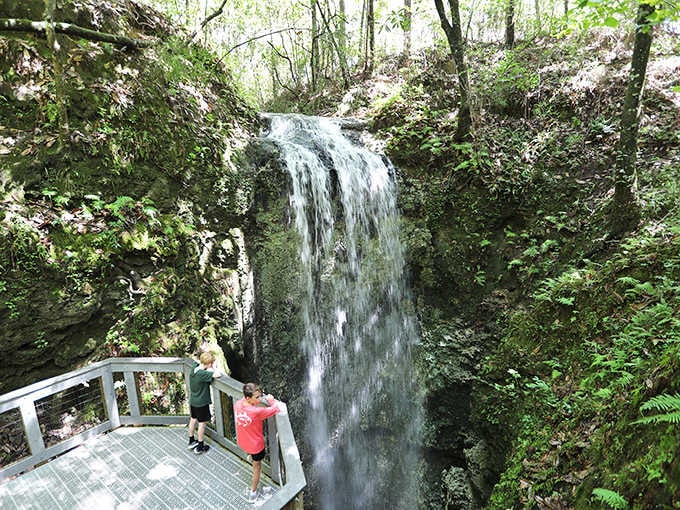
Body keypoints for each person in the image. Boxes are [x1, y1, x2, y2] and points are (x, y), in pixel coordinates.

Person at [234, 382, 280, 502]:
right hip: (256, 445)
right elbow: (275, 409)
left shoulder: (238, 404)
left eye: (260, 396)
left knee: (254, 462)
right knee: (257, 468)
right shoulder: (256, 412)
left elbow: (245, 403)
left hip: (243, 442)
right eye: (257, 397)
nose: (260, 399)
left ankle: (251, 460)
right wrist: (271, 400)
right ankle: (253, 492)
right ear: (248, 398)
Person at [187, 351, 221, 454]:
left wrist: (204, 362)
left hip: (193, 401)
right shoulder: (203, 374)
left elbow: (197, 362)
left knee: (193, 419)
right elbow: (217, 374)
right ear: (209, 363)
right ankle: (200, 446)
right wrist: (213, 367)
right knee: (202, 424)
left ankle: (191, 440)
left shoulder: (194, 368)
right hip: (201, 403)